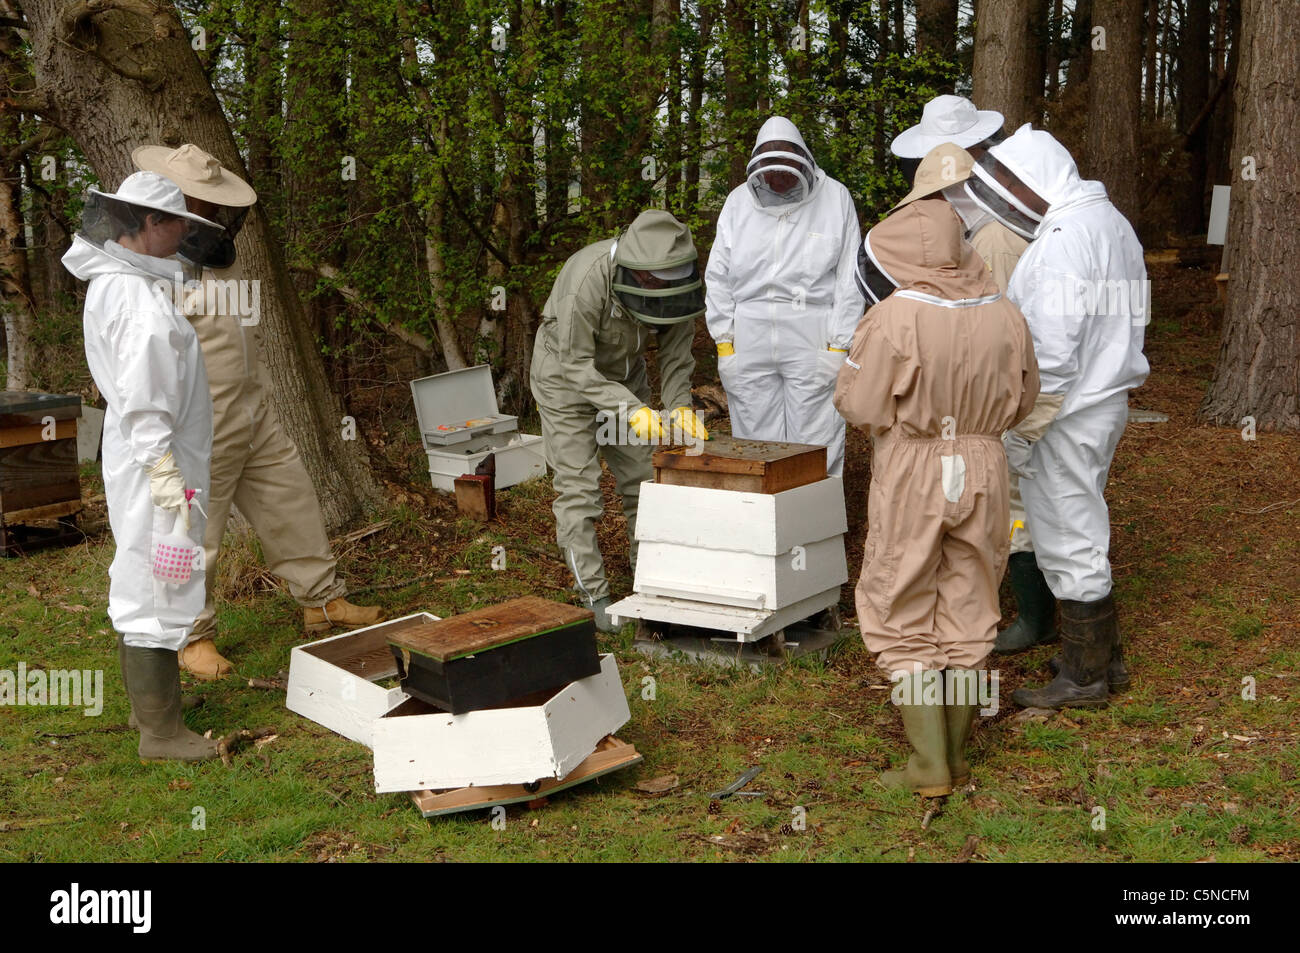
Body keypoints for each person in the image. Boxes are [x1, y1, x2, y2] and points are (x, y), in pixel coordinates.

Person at [132, 144, 383, 679]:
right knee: (192, 533)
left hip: (253, 410)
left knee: (292, 503)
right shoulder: (148, 268)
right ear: (176, 204)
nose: (219, 217)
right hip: (196, 427)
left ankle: (321, 601)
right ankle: (189, 636)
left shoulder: (221, 256)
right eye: (208, 206)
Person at [834, 184, 1039, 795]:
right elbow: (1025, 397)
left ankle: (928, 766)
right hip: (985, 462)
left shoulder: (894, 316)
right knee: (971, 600)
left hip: (916, 465)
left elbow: (860, 402)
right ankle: (954, 754)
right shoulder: (1005, 309)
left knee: (900, 602)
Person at [967, 125, 1150, 708]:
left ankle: (1085, 677)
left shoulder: (1067, 240)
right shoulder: (1109, 223)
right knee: (1078, 524)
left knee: (1069, 533)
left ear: (1034, 182)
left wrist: (1021, 431)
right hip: (1098, 403)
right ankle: (1100, 657)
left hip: (1068, 412)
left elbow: (1050, 356)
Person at [63, 171, 228, 761]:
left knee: (145, 569)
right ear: (150, 224)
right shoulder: (140, 305)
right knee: (164, 576)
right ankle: (160, 733)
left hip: (145, 460)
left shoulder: (118, 283)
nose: (186, 232)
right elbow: (147, 405)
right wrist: (167, 480)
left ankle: (152, 706)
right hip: (158, 468)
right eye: (179, 221)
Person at [893, 95, 1054, 653]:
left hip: (1007, 390)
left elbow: (1002, 325)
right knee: (1013, 497)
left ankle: (1035, 620)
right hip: (1006, 387)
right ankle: (1028, 607)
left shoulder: (995, 236)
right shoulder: (982, 221)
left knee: (1014, 501)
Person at [530, 209, 709, 632]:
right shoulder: (584, 281)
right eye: (650, 283)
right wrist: (633, 412)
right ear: (632, 269)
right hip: (565, 385)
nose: (658, 289)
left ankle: (649, 581)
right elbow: (576, 366)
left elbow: (677, 355)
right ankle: (594, 596)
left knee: (642, 481)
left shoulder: (677, 284)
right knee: (579, 488)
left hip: (626, 381)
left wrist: (679, 405)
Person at [705, 116, 862, 476]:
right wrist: (725, 343)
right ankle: (763, 526)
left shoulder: (836, 197)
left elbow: (849, 279)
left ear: (802, 162)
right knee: (756, 441)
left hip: (812, 333)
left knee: (816, 440)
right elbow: (718, 277)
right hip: (749, 334)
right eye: (771, 174)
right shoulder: (737, 203)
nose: (778, 181)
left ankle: (815, 529)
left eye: (786, 173)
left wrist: (839, 346)